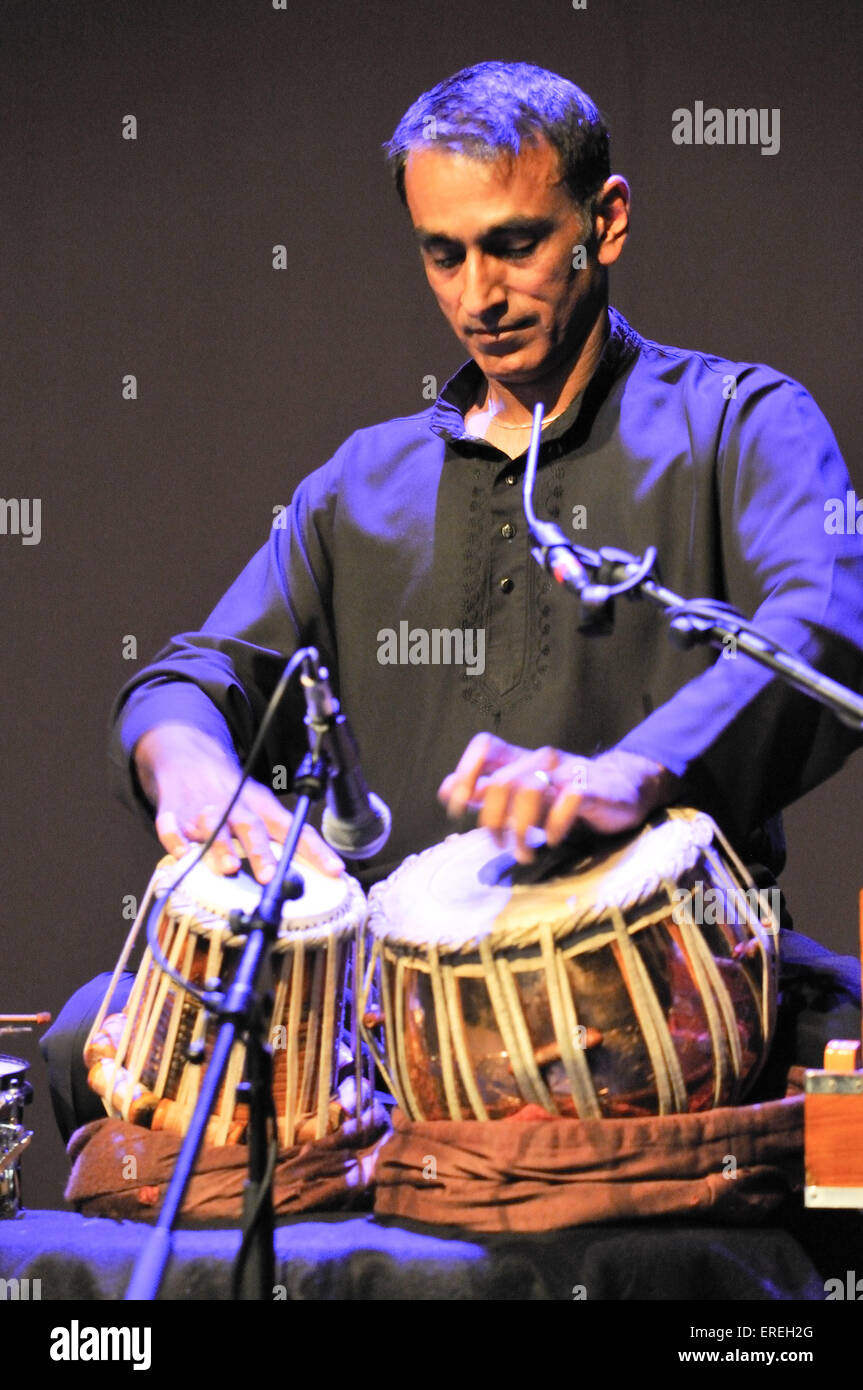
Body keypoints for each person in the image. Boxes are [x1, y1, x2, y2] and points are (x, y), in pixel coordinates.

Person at [43, 61, 863, 1141]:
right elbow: (194, 675)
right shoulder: (364, 483)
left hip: (668, 991)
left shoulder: (735, 421)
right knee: (83, 1038)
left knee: (847, 1065)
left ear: (603, 223)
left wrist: (630, 769)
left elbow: (822, 627)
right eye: (443, 254)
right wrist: (185, 760)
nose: (477, 295)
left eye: (513, 244)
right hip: (395, 1017)